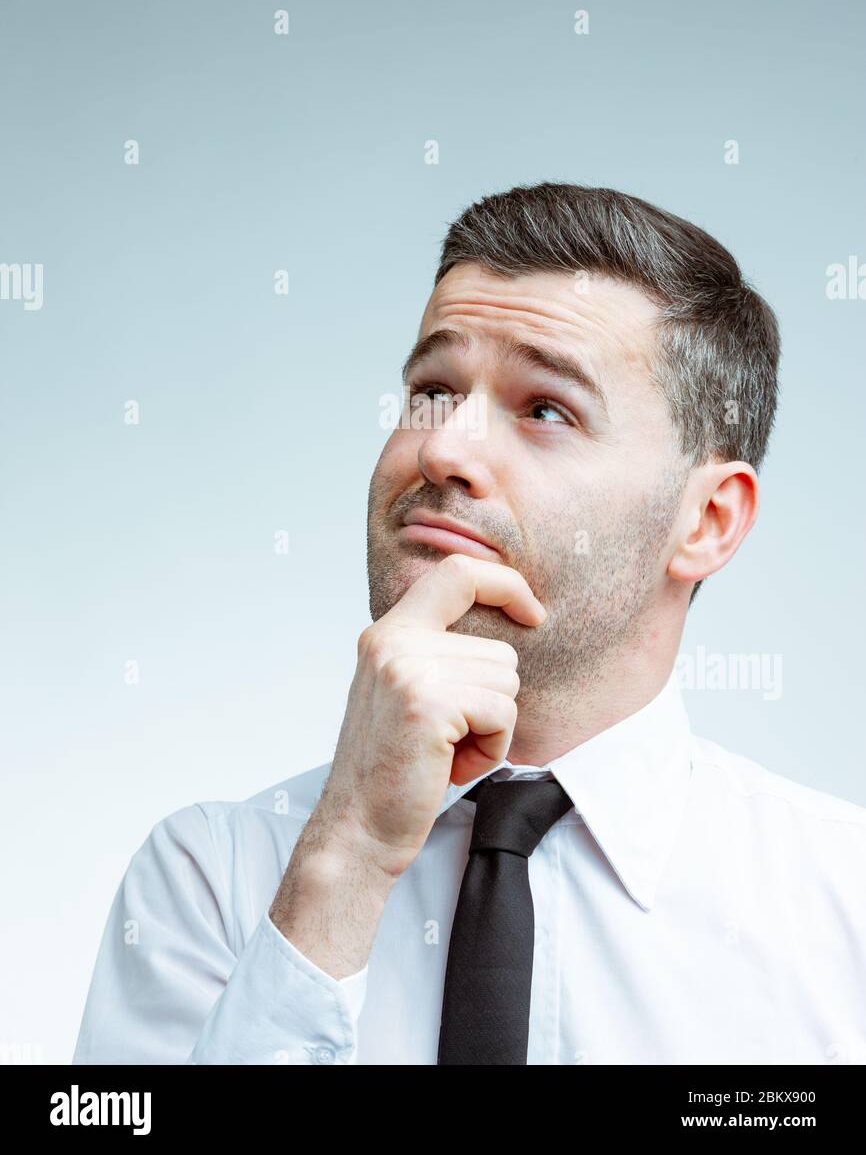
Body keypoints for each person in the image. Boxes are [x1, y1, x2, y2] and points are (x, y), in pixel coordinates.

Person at [72, 182, 866, 1065]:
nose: (442, 448)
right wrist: (347, 858)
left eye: (545, 410)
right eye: (431, 391)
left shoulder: (844, 913)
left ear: (708, 520)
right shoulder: (211, 880)